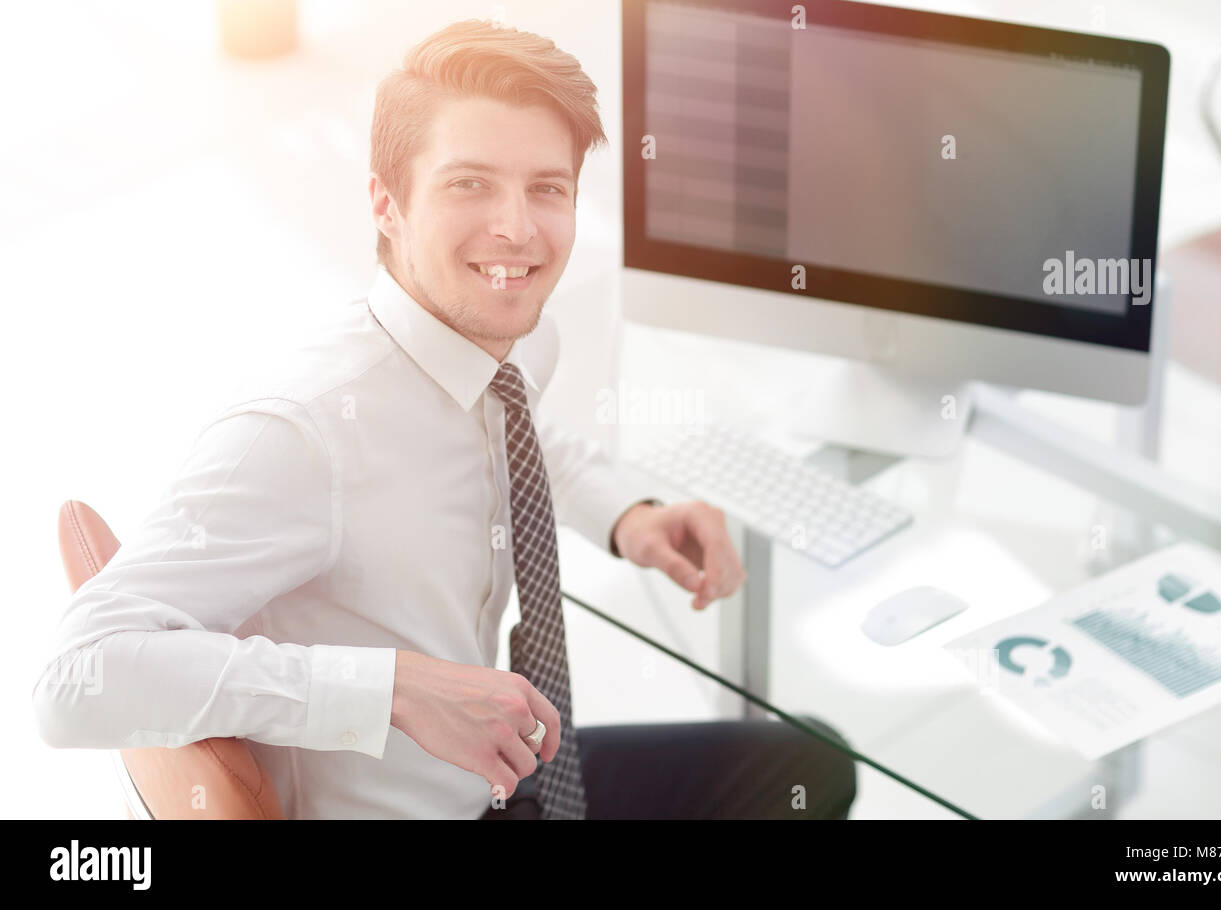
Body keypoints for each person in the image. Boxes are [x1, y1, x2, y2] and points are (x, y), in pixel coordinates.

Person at [33, 18, 856, 820]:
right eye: (470, 184)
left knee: (812, 762)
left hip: (516, 777)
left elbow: (521, 435)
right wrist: (390, 687)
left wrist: (627, 515)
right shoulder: (300, 435)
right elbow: (74, 682)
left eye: (547, 188)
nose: (518, 229)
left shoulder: (518, 335)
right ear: (386, 204)